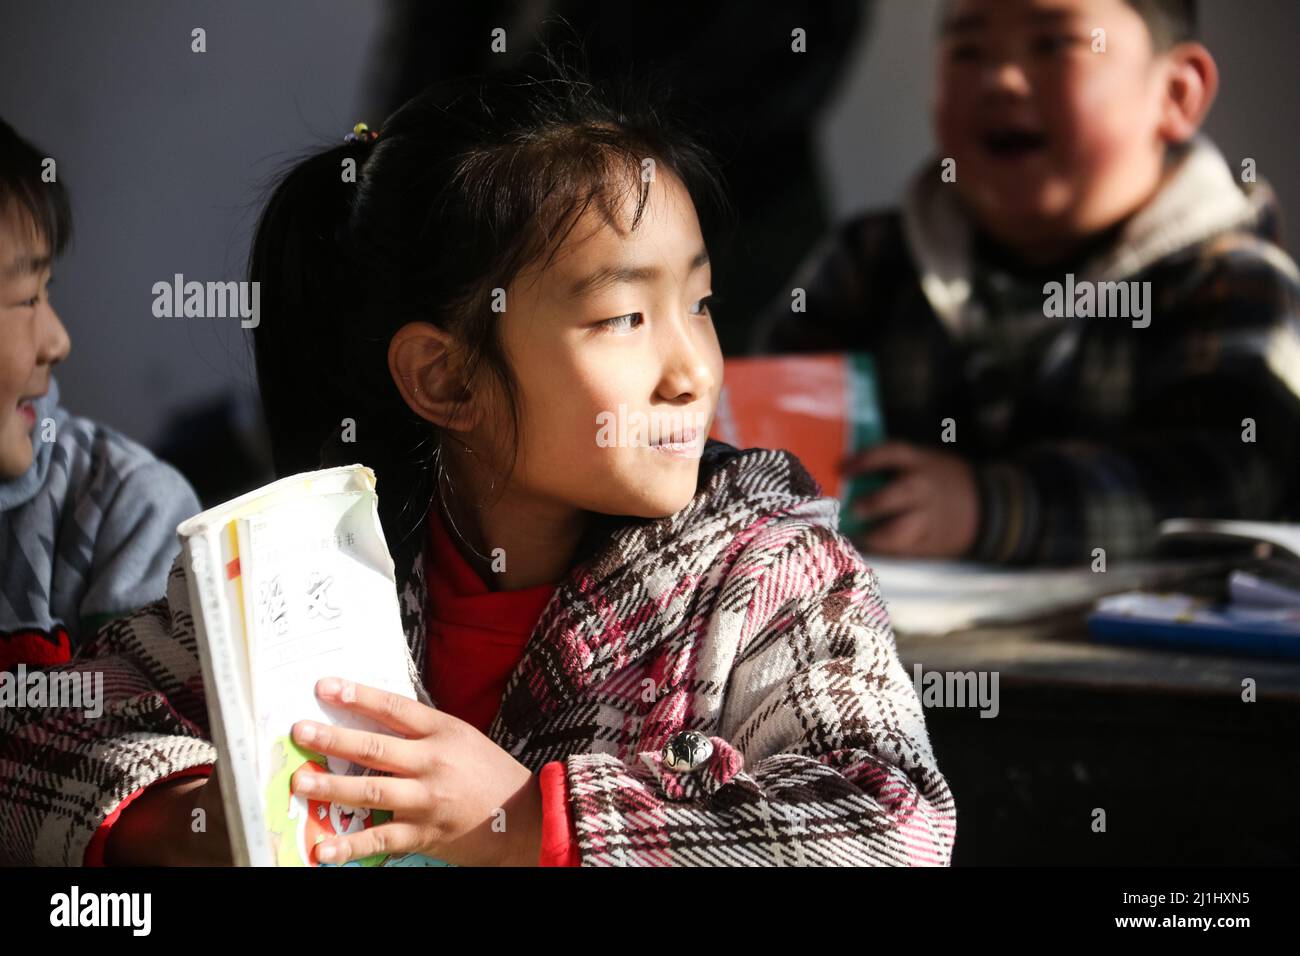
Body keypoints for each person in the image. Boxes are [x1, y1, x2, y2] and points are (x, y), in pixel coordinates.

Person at [0, 66, 955, 866]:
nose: (692, 370)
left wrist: (526, 821)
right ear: (445, 378)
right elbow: (29, 736)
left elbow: (895, 827)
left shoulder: (770, 578)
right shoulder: (302, 574)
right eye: (625, 318)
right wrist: (202, 815)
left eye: (699, 304)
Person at [752, 0, 1300, 565]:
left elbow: (1239, 479)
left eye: (1053, 45)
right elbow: (758, 443)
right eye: (968, 51)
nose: (1001, 80)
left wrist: (991, 510)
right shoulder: (868, 262)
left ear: (1176, 94)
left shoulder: (1231, 280)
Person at [0, 118, 199, 671]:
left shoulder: (128, 510)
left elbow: (151, 746)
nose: (57, 342)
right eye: (24, 300)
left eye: (47, 291)